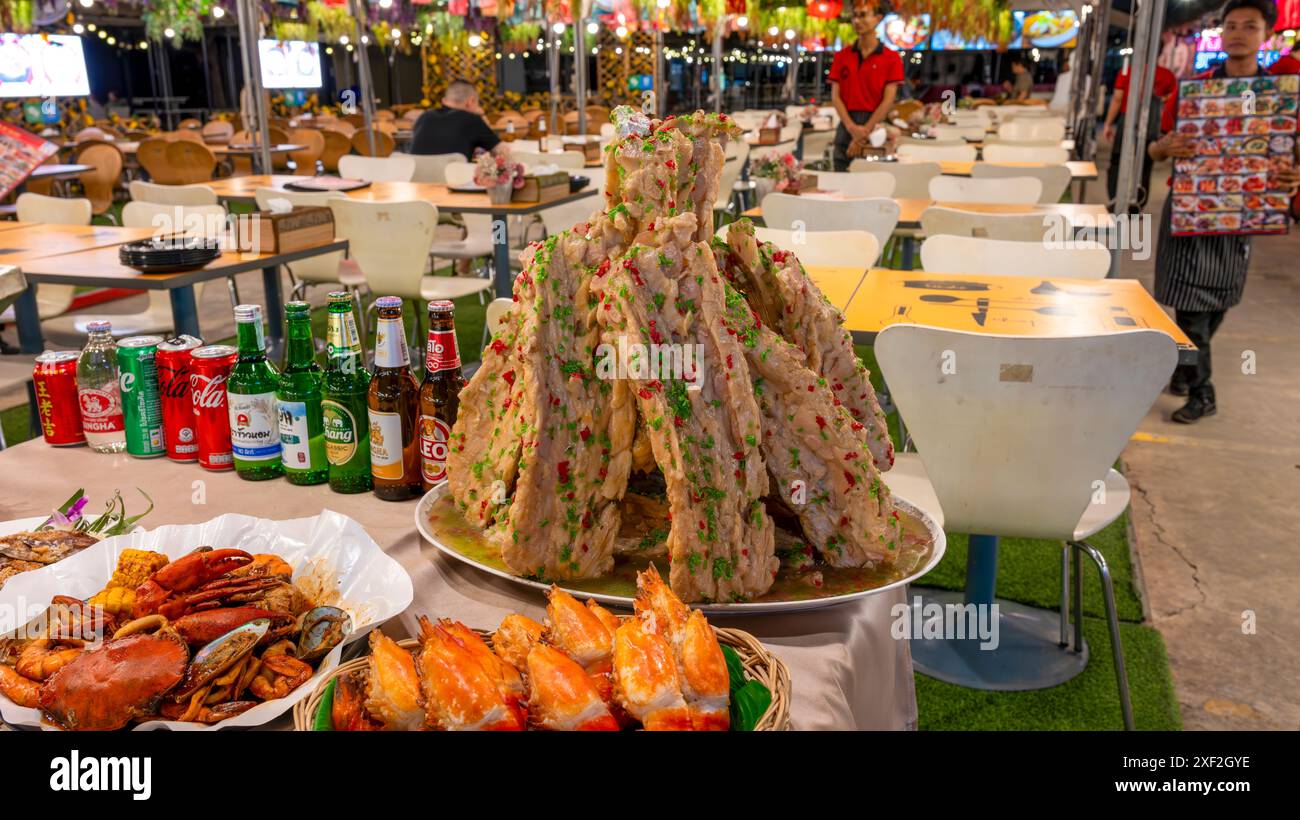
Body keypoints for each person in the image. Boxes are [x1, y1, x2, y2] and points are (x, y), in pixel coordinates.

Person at [1148, 0, 1300, 423]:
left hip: (1243, 213)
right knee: (1189, 302)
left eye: (1248, 26)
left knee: (1219, 300)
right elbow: (1155, 147)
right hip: (1190, 211)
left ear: (1265, 34)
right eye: (1230, 25)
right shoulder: (1194, 88)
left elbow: (1293, 152)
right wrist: (1166, 148)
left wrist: (1295, 176)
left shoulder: (1280, 96)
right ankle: (1203, 390)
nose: (1237, 33)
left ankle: (1185, 365)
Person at [828, 3, 904, 171]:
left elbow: (888, 100)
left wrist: (862, 134)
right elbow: (835, 97)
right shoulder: (842, 56)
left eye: (863, 15)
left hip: (877, 126)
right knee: (840, 177)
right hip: (846, 124)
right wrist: (851, 128)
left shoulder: (892, 58)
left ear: (877, 19)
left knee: (875, 179)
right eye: (854, 16)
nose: (856, 20)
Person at [1103, 59, 1179, 210]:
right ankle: (1138, 203)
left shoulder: (1127, 72)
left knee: (1118, 161)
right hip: (1152, 123)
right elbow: (1171, 99)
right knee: (1145, 165)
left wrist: (1108, 123)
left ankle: (1115, 200)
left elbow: (1118, 98)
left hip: (1127, 120)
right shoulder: (1167, 75)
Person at [411, 80, 500, 158]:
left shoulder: (424, 117)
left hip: (419, 176)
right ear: (471, 101)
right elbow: (502, 151)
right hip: (456, 176)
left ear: (445, 100)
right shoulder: (472, 120)